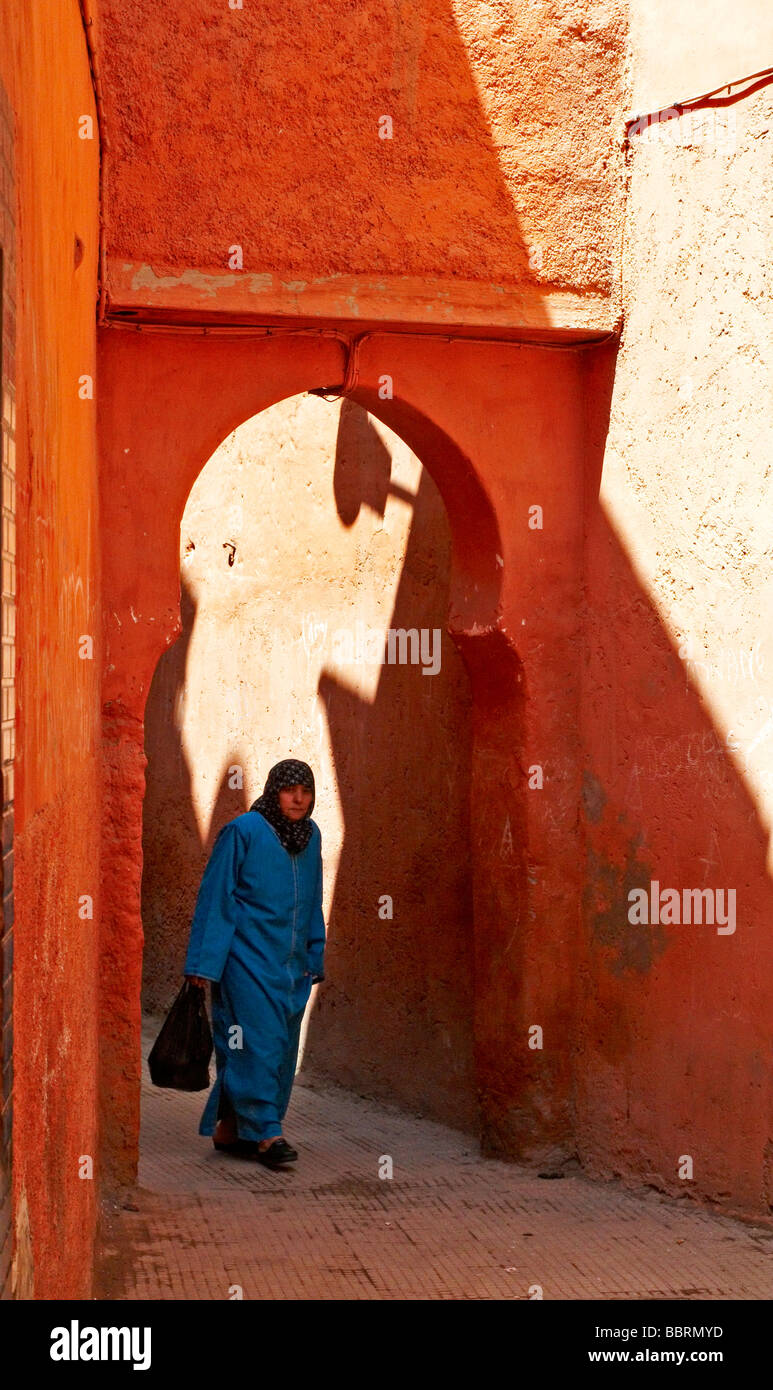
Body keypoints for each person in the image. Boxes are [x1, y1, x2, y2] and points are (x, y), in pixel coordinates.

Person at [183, 758, 326, 1168]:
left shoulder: (311, 836)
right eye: (289, 789)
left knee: (278, 1048)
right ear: (273, 790)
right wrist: (202, 965)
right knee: (257, 1042)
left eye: (306, 791)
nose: (298, 799)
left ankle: (230, 1128)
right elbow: (216, 899)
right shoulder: (242, 832)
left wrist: (314, 953)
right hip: (246, 960)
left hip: (292, 964)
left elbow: (313, 899)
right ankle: (266, 1132)